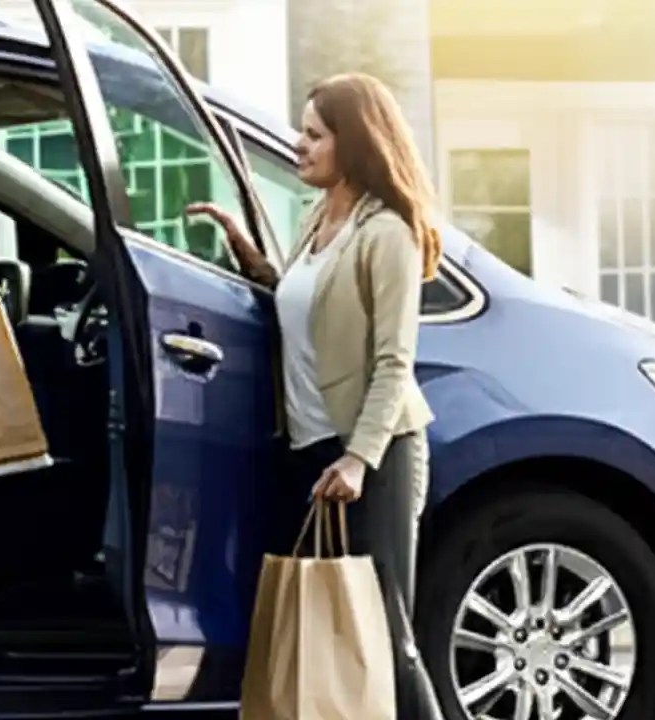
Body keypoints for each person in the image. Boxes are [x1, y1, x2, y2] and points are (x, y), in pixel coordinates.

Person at [187, 72, 445, 719]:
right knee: (331, 628)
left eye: (313, 135)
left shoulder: (388, 232)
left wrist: (358, 459)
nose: (299, 146)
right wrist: (249, 257)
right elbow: (303, 305)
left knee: (384, 633)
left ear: (352, 143)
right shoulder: (318, 216)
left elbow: (394, 362)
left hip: (372, 457)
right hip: (311, 450)